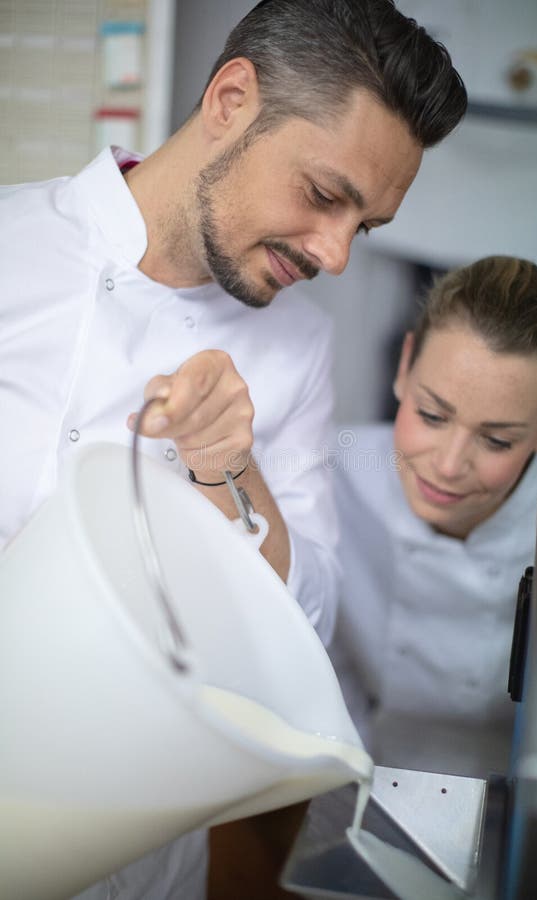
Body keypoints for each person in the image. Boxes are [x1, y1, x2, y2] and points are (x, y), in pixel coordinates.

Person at [0, 1, 467, 898]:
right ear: (231, 98)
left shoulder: (296, 349)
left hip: (122, 858)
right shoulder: (13, 244)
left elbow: (305, 625)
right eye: (326, 195)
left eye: (363, 226)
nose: (336, 255)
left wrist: (230, 471)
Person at [329, 255, 537, 780]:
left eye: (497, 439)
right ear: (405, 367)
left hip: (512, 795)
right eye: (432, 415)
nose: (449, 466)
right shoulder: (327, 472)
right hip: (344, 770)